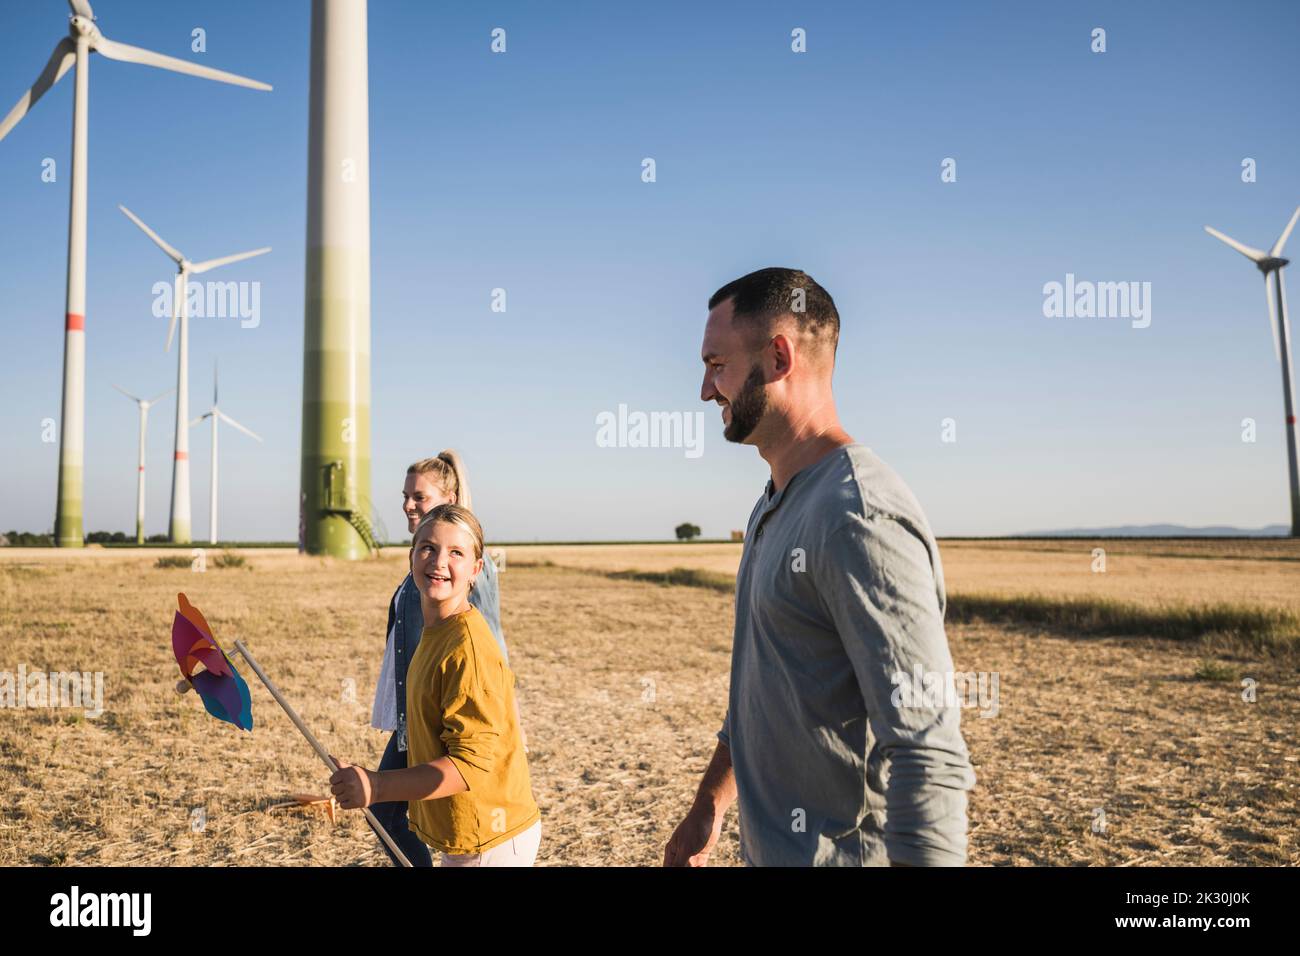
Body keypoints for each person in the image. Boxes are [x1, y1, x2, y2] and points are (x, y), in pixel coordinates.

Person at [664, 267, 976, 867]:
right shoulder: (774, 502)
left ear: (778, 356)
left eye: (716, 364)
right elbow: (770, 681)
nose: (705, 390)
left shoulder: (857, 515)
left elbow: (928, 755)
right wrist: (710, 803)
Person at [332, 504, 541, 866]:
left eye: (456, 553)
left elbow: (470, 765)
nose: (439, 561)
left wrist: (378, 786)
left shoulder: (467, 648)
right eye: (428, 547)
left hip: (492, 841)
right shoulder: (436, 632)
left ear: (476, 570)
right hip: (468, 837)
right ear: (411, 556)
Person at [367, 451, 509, 867]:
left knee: (390, 812)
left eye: (419, 497)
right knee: (399, 815)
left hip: (445, 711)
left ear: (449, 497)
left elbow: (486, 641)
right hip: (418, 712)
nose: (408, 504)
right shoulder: (423, 563)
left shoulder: (466, 566)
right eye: (405, 496)